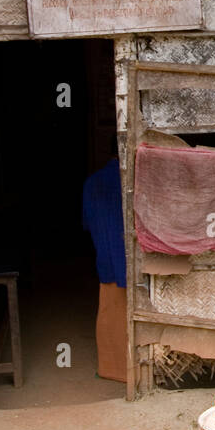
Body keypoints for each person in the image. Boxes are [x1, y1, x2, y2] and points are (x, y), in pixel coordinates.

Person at [81, 155, 127, 382]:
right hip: (136, 261)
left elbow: (87, 224)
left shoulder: (92, 182)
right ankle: (141, 370)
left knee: (110, 312)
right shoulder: (135, 179)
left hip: (107, 259)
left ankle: (111, 369)